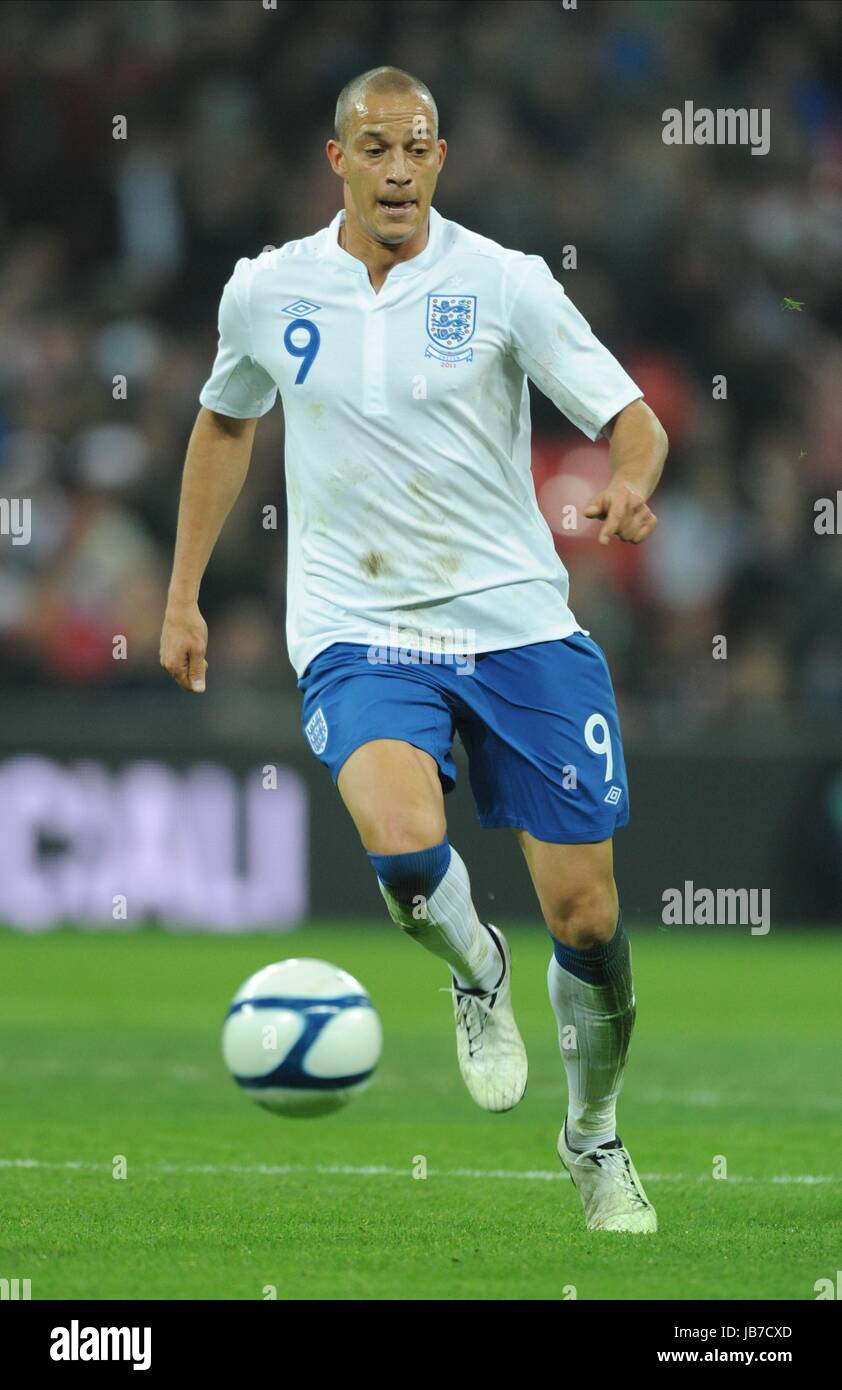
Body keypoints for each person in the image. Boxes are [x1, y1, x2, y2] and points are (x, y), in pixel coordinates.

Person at [160, 66, 668, 1233]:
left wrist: (631, 486)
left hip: (515, 622)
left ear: (441, 160)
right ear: (335, 160)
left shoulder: (504, 283)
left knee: (586, 916)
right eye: (374, 147)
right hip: (357, 623)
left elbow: (626, 419)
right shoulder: (266, 290)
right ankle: (475, 969)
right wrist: (181, 594)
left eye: (418, 148)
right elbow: (226, 422)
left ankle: (592, 1139)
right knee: (399, 836)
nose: (398, 168)